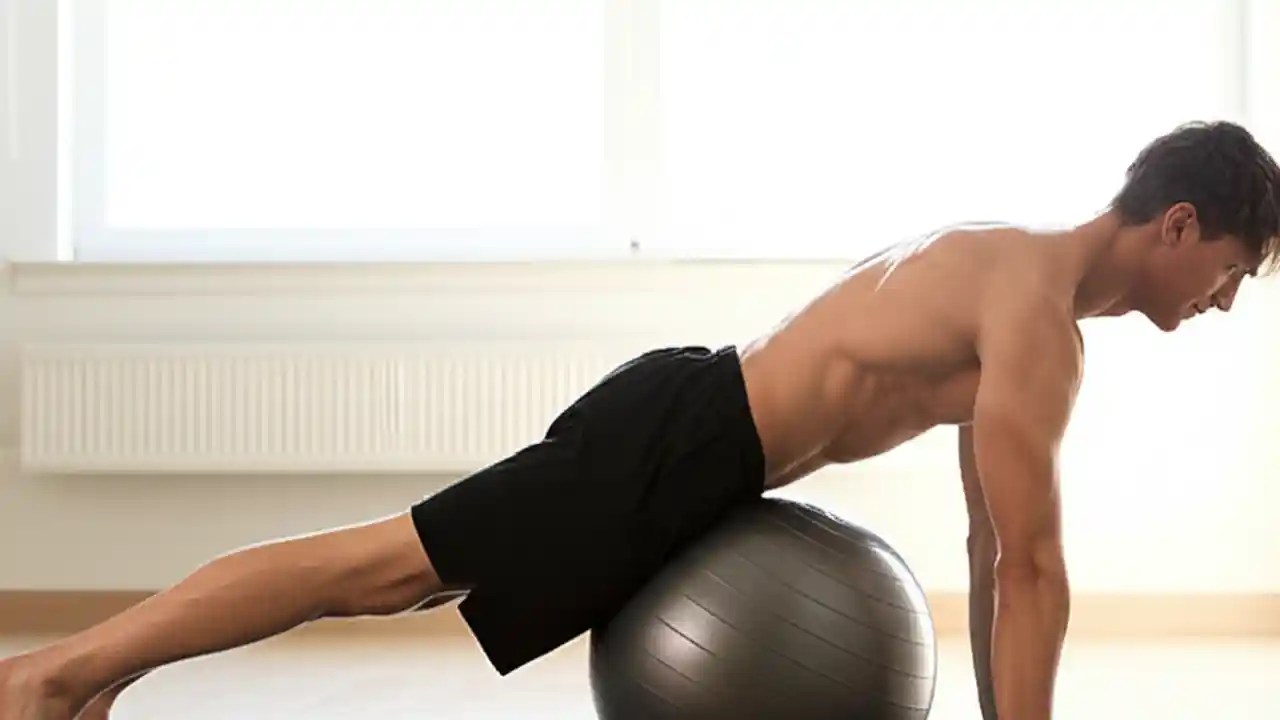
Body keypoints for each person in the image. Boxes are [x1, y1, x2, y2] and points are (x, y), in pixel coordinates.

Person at [2, 120, 1278, 720]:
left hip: (691, 422)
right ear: (1176, 225)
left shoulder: (1009, 280)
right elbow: (1034, 562)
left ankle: (86, 674)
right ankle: (57, 673)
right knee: (377, 569)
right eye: (1230, 271)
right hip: (687, 437)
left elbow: (991, 552)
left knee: (383, 575)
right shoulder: (1033, 315)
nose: (1222, 303)